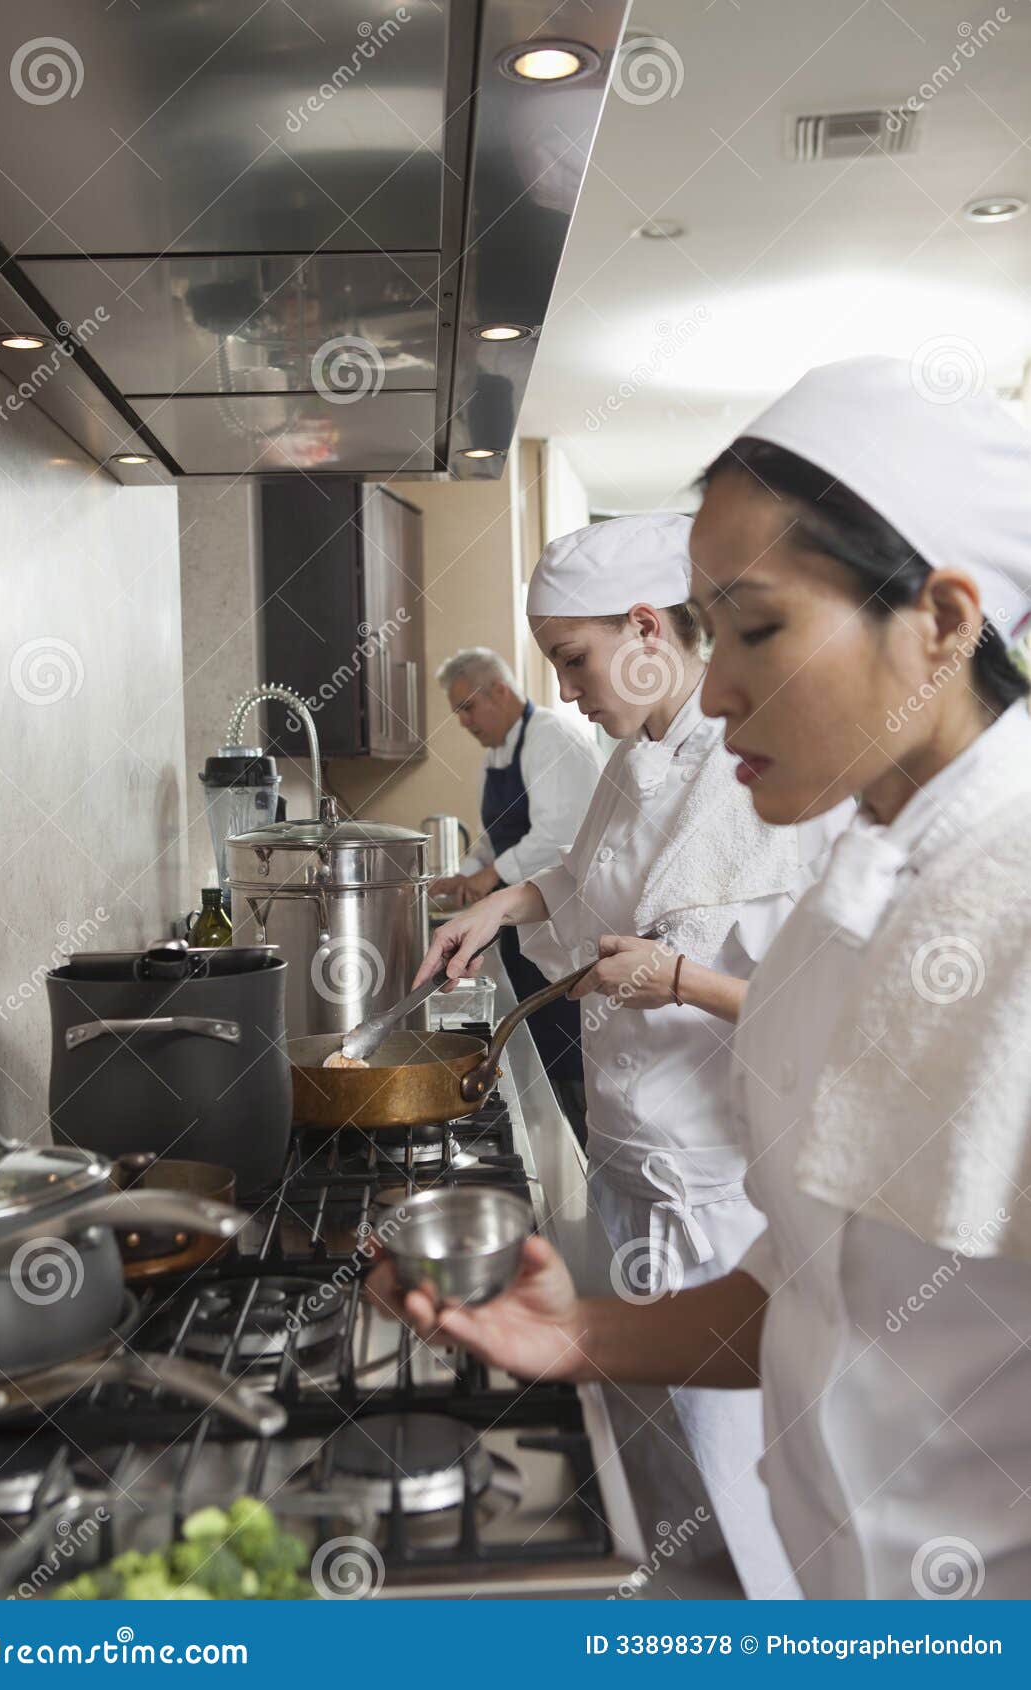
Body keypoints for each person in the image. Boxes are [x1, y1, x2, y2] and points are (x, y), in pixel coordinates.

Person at [371, 356, 1031, 1600]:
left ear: (940, 624)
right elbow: (807, 1281)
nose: (713, 687)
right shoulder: (858, 890)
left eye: (759, 626)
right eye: (707, 627)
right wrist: (577, 1332)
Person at [414, 519, 852, 1599]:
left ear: (646, 627)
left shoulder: (764, 780)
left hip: (726, 1212)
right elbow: (581, 880)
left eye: (571, 658)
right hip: (634, 1186)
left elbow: (833, 1019)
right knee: (670, 1495)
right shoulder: (627, 763)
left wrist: (678, 981)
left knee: (750, 1509)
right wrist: (508, 903)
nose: (563, 692)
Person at [432, 647, 604, 1143]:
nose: (463, 721)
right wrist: (464, 875)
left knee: (566, 1045)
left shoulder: (550, 737)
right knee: (540, 1041)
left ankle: (579, 1145)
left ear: (500, 691)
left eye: (467, 707)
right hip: (521, 923)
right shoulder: (500, 750)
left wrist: (489, 880)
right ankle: (559, 1134)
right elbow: (497, 833)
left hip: (561, 923)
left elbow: (559, 835)